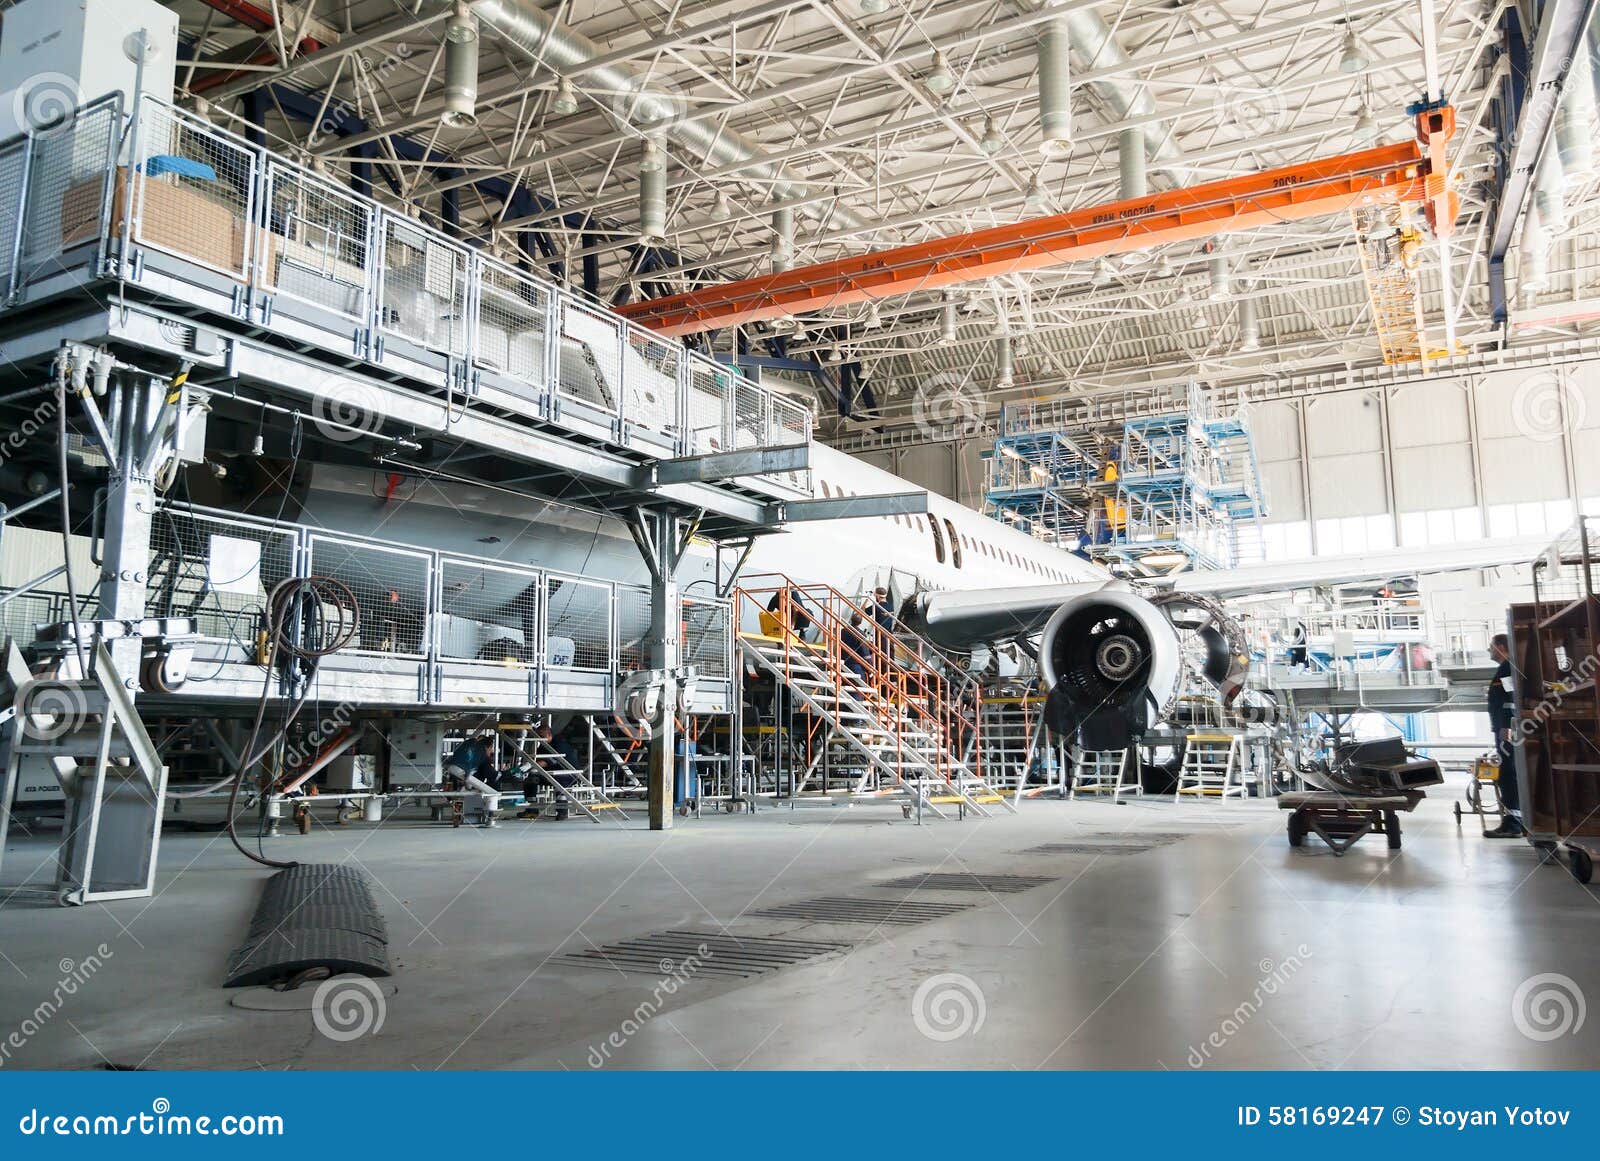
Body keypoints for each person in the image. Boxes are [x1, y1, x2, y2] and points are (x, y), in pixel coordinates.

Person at [1485, 632, 1524, 838]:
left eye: (1491, 646)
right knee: (1507, 772)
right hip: (1504, 729)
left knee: (1508, 773)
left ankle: (1513, 823)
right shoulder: (1505, 668)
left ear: (1501, 646)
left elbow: (1511, 698)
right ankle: (1515, 820)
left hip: (1507, 730)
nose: (1489, 650)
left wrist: (1508, 725)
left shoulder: (1508, 668)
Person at [841, 611, 872, 683]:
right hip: (855, 663)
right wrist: (870, 666)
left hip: (843, 661)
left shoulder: (843, 631)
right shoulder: (860, 634)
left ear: (851, 620)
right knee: (859, 684)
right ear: (860, 622)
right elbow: (865, 652)